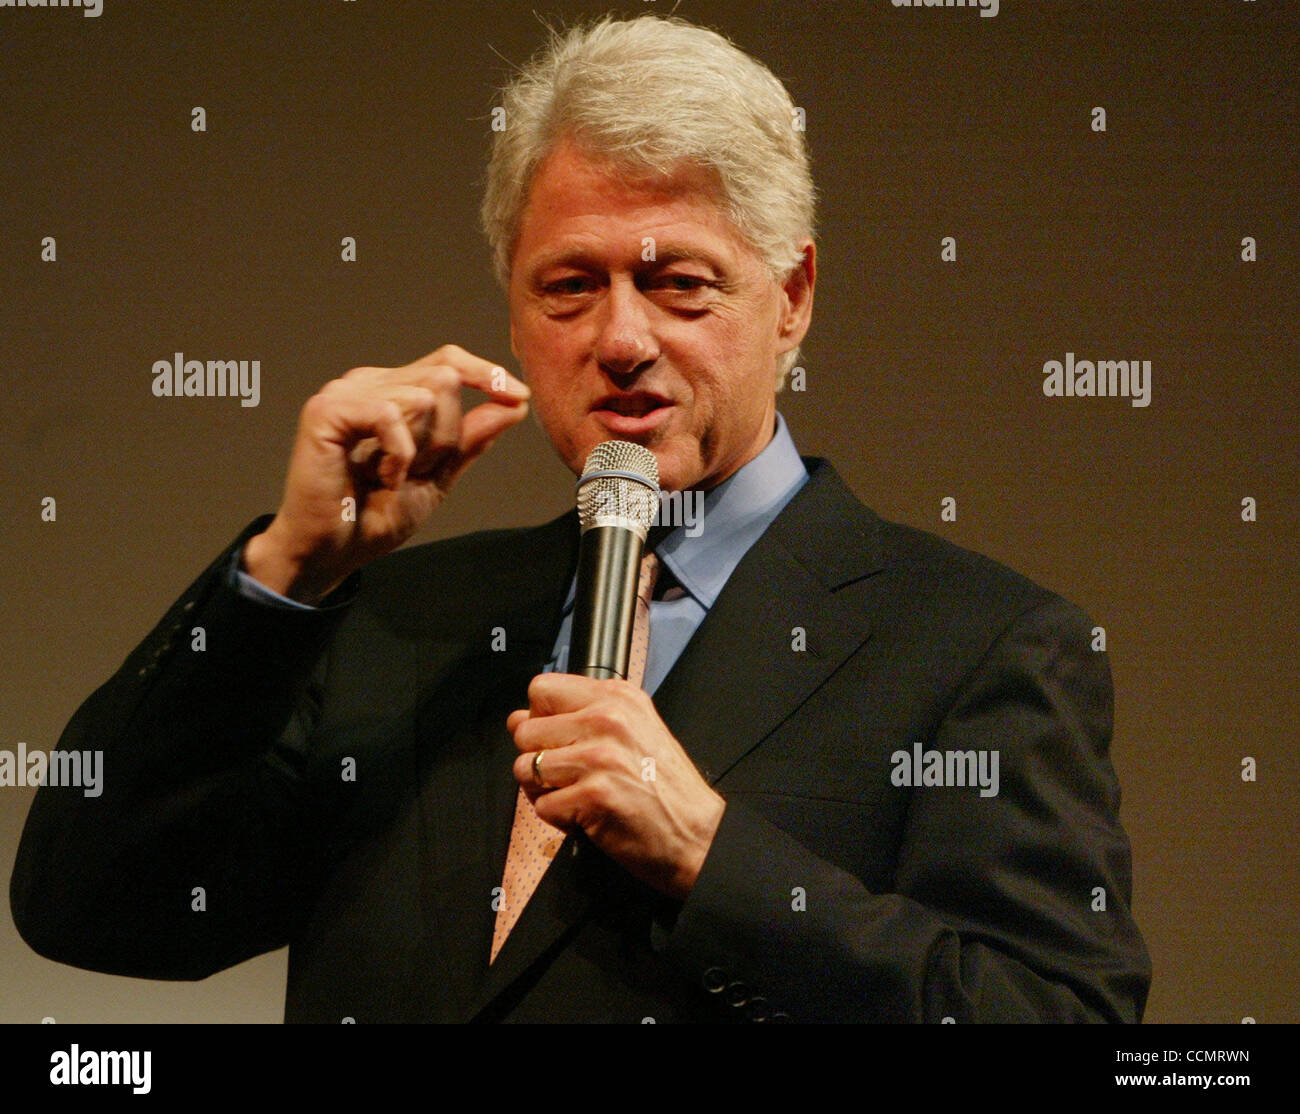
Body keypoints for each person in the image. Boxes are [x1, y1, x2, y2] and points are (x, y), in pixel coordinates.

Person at [11, 14, 1150, 1023]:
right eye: (569, 285)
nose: (620, 339)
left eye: (679, 285)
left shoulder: (976, 645)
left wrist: (713, 860)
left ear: (792, 296)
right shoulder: (399, 624)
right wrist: (284, 576)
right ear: (512, 307)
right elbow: (91, 909)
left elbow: (1053, 1010)